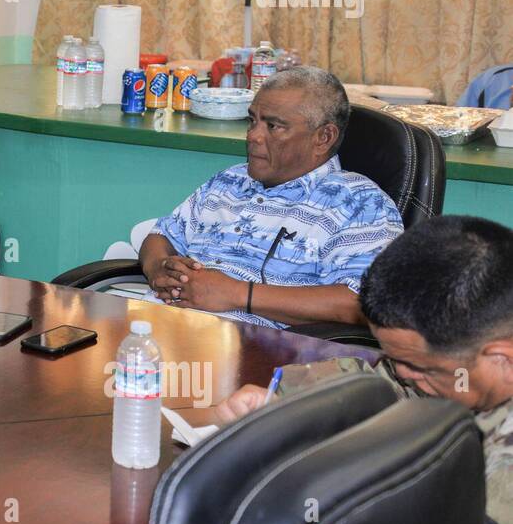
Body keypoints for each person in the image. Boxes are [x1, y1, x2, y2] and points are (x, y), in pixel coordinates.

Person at [214, 216, 513, 524]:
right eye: (392, 356)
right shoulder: (455, 363)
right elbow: (378, 386)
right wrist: (280, 401)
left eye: (415, 365)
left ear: (503, 359)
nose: (401, 371)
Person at [139, 66, 403, 329]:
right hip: (155, 330)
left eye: (273, 126)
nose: (253, 136)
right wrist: (159, 269)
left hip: (253, 353)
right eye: (252, 120)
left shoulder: (360, 203)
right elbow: (160, 236)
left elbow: (361, 303)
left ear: (323, 137)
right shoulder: (230, 180)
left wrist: (237, 294)